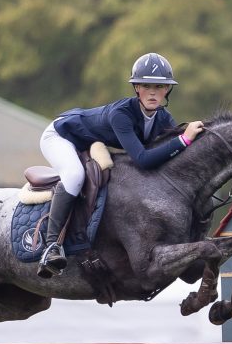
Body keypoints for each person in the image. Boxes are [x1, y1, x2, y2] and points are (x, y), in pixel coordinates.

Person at [36, 52, 205, 277]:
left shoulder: (164, 118)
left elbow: (171, 160)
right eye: (146, 85)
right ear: (136, 88)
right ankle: (50, 246)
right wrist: (184, 139)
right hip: (61, 135)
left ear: (167, 90)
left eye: (159, 86)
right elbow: (143, 159)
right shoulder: (121, 115)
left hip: (90, 141)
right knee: (74, 175)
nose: (153, 92)